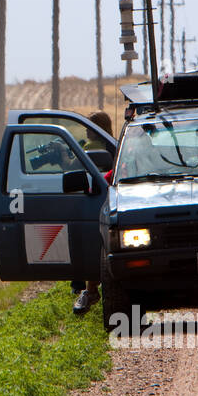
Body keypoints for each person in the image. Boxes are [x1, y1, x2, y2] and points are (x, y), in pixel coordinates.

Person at [72, 111, 117, 316]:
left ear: (97, 128)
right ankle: (90, 290)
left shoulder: (91, 148)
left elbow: (75, 167)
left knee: (91, 243)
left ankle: (90, 290)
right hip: (109, 200)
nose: (86, 131)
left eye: (89, 127)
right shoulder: (116, 145)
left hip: (96, 200)